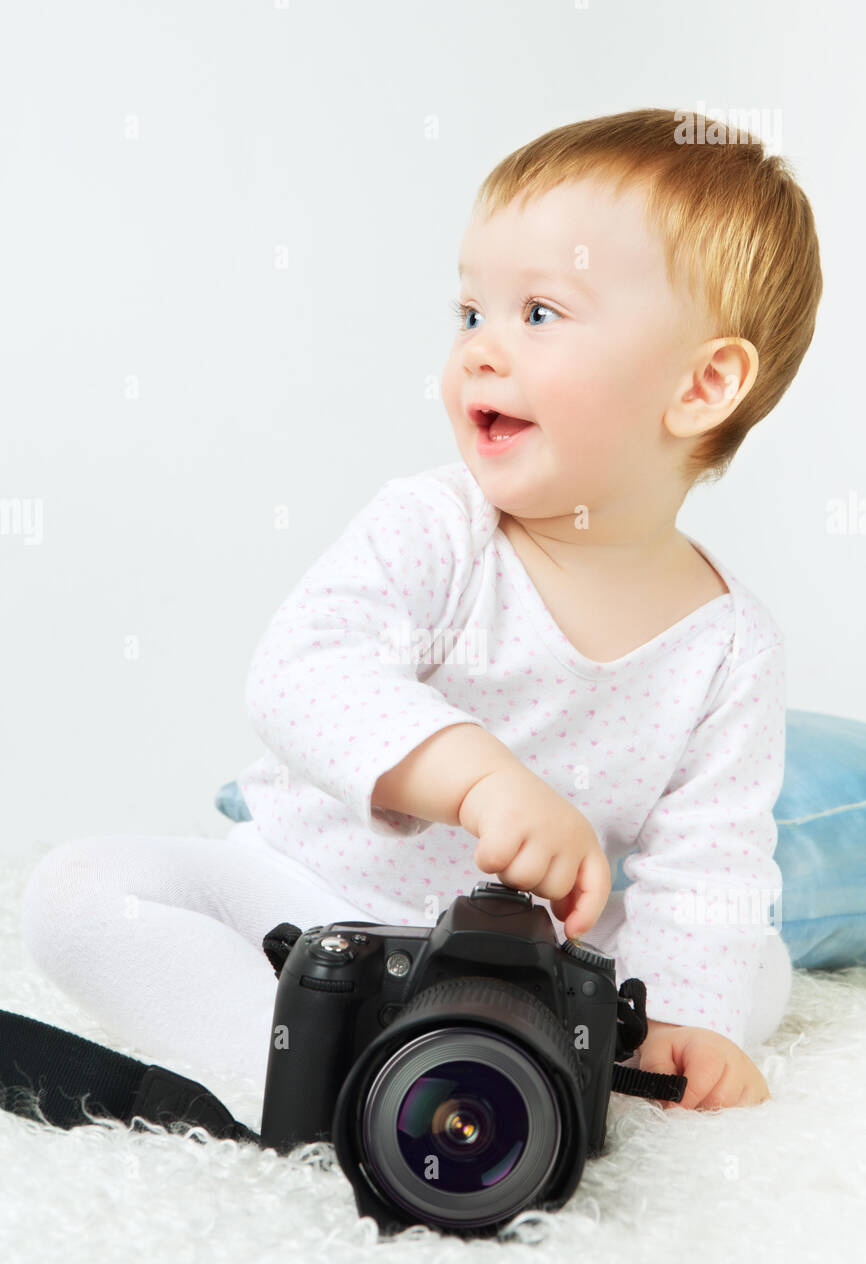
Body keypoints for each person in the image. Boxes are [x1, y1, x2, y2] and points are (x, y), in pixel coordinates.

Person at [20, 108, 822, 1111]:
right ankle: (301, 1078)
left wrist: (679, 1019)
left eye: (537, 314)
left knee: (749, 964)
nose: (479, 351)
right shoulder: (437, 526)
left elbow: (705, 859)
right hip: (307, 908)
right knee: (78, 893)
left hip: (517, 965)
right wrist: (480, 781)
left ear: (702, 384)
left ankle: (505, 1065)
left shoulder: (730, 646)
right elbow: (303, 673)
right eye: (468, 313)